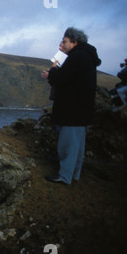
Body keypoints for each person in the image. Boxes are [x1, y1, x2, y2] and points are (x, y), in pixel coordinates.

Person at [41, 27, 101, 184]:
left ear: (74, 41)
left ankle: (64, 176)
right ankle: (73, 174)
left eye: (65, 41)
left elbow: (62, 78)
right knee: (77, 145)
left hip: (72, 108)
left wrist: (52, 72)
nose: (63, 44)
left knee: (67, 145)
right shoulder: (85, 55)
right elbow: (71, 80)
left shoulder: (77, 56)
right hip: (81, 108)